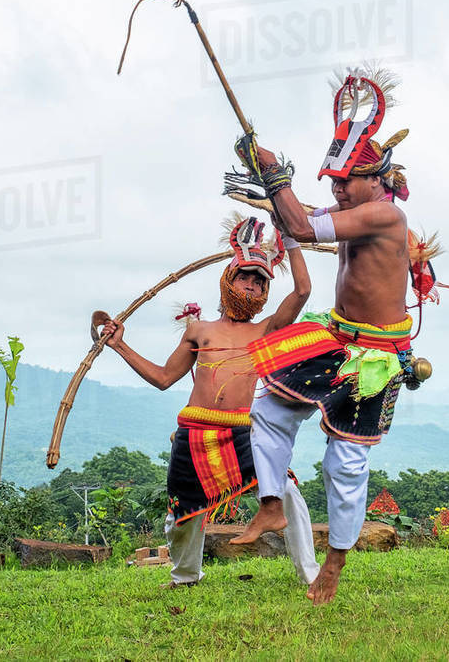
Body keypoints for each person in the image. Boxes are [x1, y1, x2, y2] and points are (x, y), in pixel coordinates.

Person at [225, 71, 425, 605]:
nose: (336, 190)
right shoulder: (351, 210)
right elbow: (300, 220)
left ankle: (334, 563)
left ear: (377, 180)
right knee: (268, 408)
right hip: (337, 339)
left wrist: (274, 174)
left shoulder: (385, 214)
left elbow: (304, 226)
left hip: (377, 355)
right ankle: (271, 501)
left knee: (345, 460)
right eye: (333, 182)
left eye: (345, 183)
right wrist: (261, 167)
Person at [100, 216, 319, 587]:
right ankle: (186, 575)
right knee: (182, 513)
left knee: (287, 494)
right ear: (227, 279)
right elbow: (163, 378)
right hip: (196, 432)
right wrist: (119, 344)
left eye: (259, 281)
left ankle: (310, 574)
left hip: (247, 432)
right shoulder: (198, 330)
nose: (251, 286)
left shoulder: (266, 330)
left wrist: (292, 240)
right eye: (244, 277)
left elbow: (301, 292)